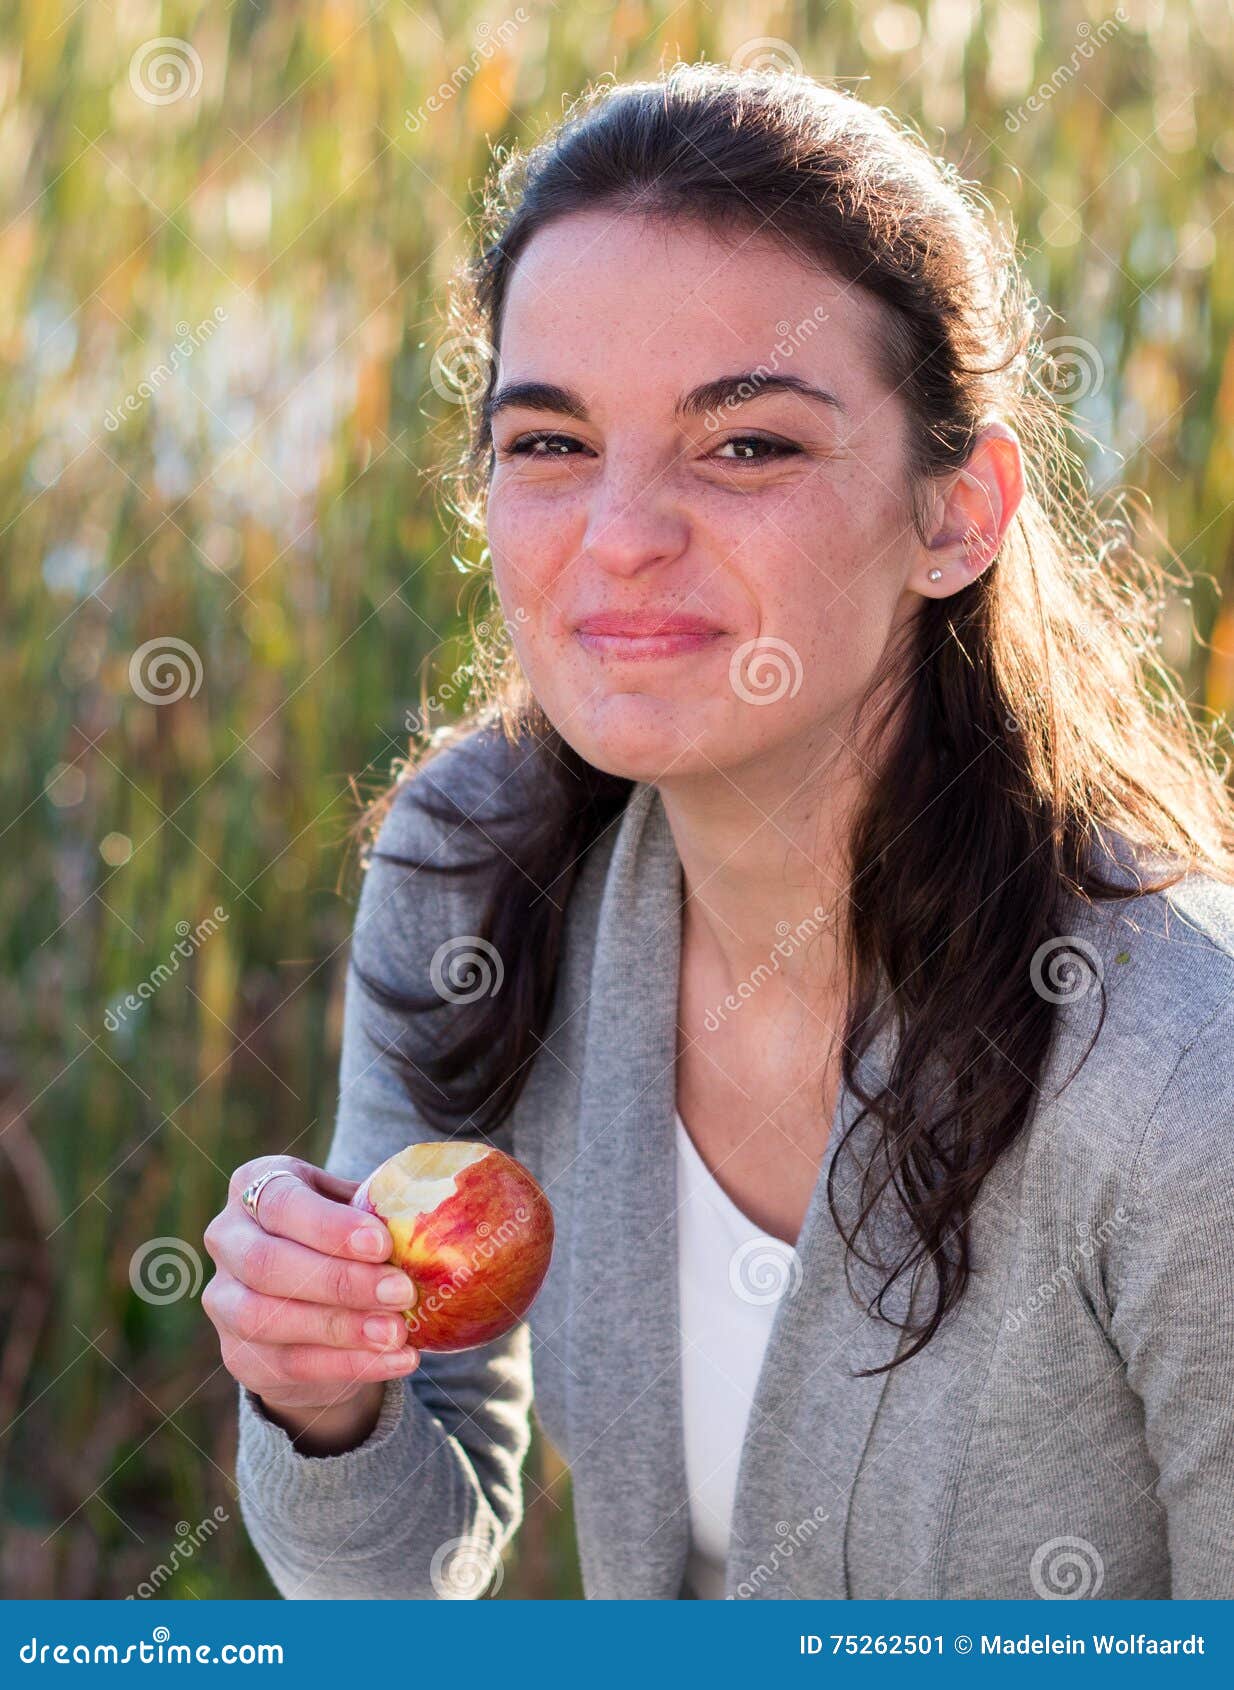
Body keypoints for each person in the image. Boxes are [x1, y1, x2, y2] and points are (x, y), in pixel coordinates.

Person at [203, 61, 1234, 1600]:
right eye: (548, 442)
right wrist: (323, 1391)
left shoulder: (1171, 1065)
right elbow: (394, 1577)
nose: (618, 535)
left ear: (955, 514)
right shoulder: (471, 870)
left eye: (744, 442)